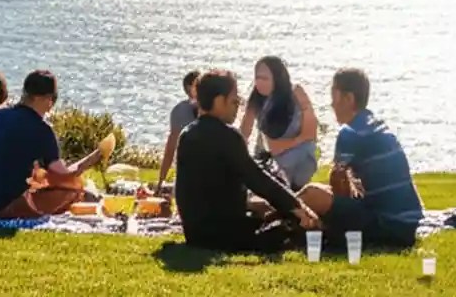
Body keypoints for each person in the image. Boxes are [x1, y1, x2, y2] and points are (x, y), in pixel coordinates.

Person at [176, 69, 319, 252]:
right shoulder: (227, 136)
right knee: (289, 224)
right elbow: (257, 180)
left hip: (195, 233)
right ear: (219, 101)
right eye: (235, 101)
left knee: (264, 212)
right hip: (225, 235)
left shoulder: (186, 135)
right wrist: (296, 207)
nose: (238, 106)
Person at [298, 68, 424, 249]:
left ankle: (271, 215)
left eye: (334, 97)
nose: (331, 105)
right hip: (408, 224)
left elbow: (337, 185)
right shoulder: (374, 123)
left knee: (312, 193)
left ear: (348, 99)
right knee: (317, 193)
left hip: (388, 225)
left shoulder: (350, 132)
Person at [0, 70, 103, 219]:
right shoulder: (41, 129)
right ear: (47, 99)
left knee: (39, 179)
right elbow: (64, 176)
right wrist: (93, 158)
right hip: (0, 208)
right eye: (53, 99)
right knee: (72, 189)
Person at [238, 56, 318, 189]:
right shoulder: (256, 99)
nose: (259, 82)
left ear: (277, 78)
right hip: (270, 159)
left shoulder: (296, 93)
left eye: (265, 78)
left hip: (300, 158)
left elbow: (311, 133)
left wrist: (290, 143)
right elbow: (246, 133)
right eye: (257, 77)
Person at [154, 70, 200, 194]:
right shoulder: (181, 111)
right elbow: (171, 148)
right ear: (190, 88)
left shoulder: (214, 109)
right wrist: (160, 181)